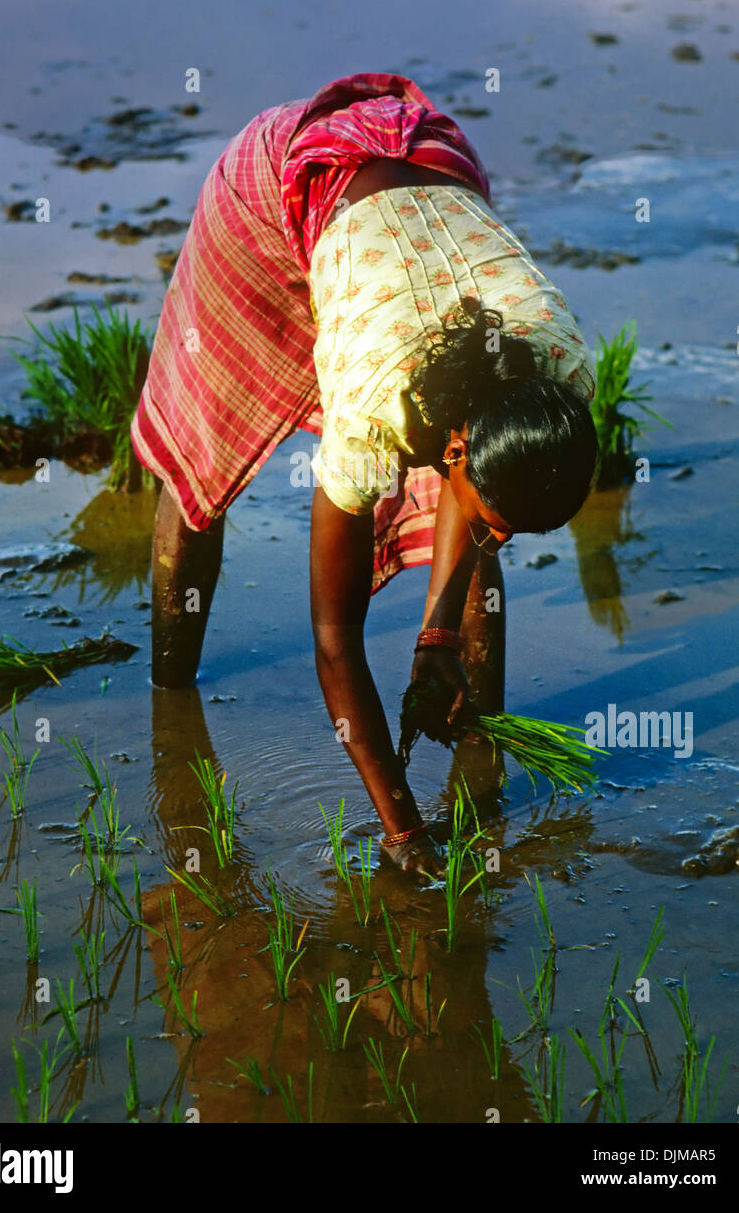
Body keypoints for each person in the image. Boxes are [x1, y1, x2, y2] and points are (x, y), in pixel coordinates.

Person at [131, 71, 598, 876]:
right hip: (276, 185)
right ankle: (170, 697)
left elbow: (475, 480)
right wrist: (403, 832)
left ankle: (475, 771)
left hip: (433, 168)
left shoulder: (558, 366)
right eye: (493, 524)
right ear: (455, 446)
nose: (495, 540)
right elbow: (334, 639)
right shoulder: (372, 408)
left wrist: (439, 632)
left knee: (478, 503)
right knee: (200, 460)